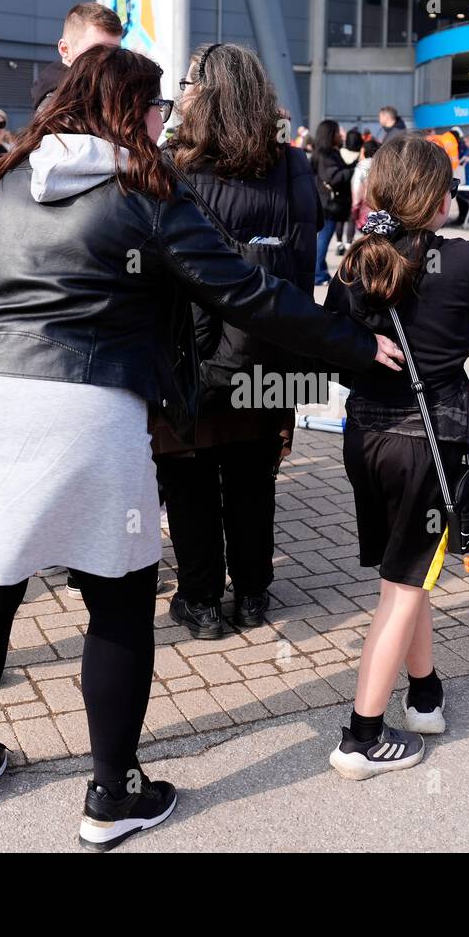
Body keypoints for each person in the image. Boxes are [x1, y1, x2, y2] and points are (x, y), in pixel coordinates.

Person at [0, 44, 402, 844]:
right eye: (157, 108)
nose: (165, 121)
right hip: (85, 400)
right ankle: (113, 791)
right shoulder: (144, 188)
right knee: (117, 597)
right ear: (127, 110)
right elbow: (245, 290)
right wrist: (352, 346)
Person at [324, 135, 469, 779]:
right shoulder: (460, 261)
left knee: (405, 574)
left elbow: (330, 340)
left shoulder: (354, 263)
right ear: (436, 200)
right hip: (428, 444)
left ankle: (425, 694)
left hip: (366, 440)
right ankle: (361, 737)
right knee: (403, 588)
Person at [153, 41, 320, 640]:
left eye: (189, 81)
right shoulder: (293, 164)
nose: (182, 90)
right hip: (269, 347)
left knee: (190, 478)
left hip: (190, 352)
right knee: (253, 476)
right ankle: (252, 593)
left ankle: (201, 602)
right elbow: (304, 268)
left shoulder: (172, 164)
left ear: (208, 89)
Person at [29, 2, 124, 112]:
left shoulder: (106, 89)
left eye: (115, 51)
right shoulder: (58, 105)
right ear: (64, 49)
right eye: (96, 50)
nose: (107, 58)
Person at [310, 119, 353, 285]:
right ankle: (318, 274)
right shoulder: (326, 154)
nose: (340, 135)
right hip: (328, 205)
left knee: (323, 239)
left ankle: (321, 271)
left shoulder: (327, 152)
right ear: (329, 135)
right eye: (336, 132)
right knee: (323, 240)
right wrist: (351, 171)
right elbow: (333, 177)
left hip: (328, 203)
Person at [336, 128, 363, 256]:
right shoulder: (360, 156)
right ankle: (348, 244)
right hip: (354, 191)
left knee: (339, 219)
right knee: (351, 219)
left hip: (340, 190)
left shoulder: (340, 153)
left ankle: (338, 243)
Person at [351, 137, 379, 232]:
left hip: (364, 217)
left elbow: (356, 195)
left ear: (363, 151)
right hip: (381, 215)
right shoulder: (382, 167)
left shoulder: (361, 169)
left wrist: (355, 214)